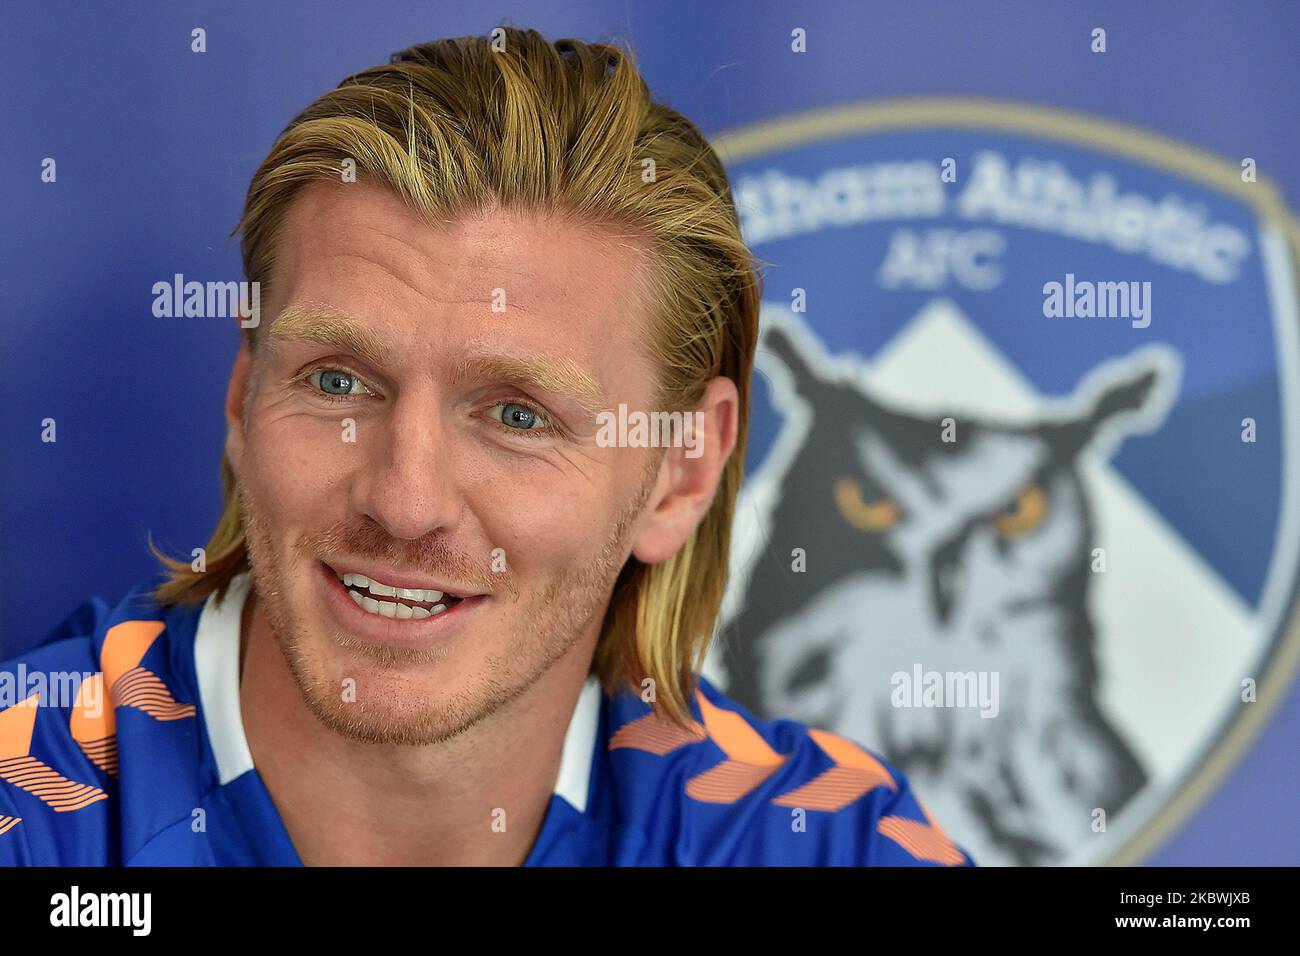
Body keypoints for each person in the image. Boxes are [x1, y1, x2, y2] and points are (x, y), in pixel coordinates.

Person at [0, 28, 974, 866]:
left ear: (681, 469)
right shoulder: (29, 801)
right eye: (338, 381)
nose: (403, 498)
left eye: (517, 414)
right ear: (245, 393)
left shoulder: (820, 841)